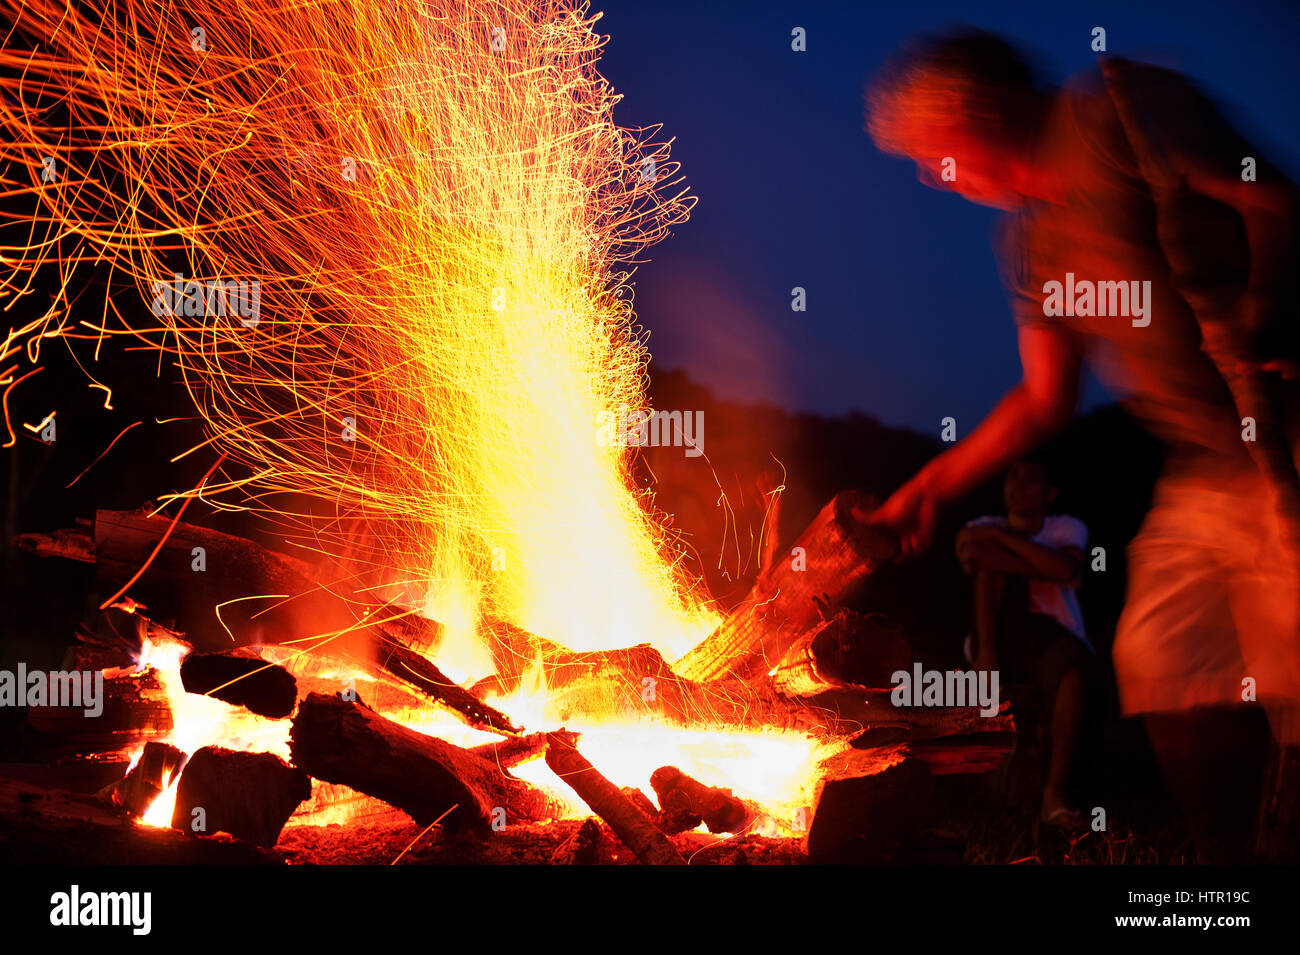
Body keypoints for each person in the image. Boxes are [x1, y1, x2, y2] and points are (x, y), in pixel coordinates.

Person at [862, 28, 1300, 862]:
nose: (930, 175)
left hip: (1289, 426)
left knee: (1292, 651)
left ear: (973, 109)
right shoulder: (1031, 245)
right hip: (1211, 460)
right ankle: (1222, 870)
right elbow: (1043, 397)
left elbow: (1272, 198)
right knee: (1163, 650)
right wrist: (930, 484)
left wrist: (1267, 304)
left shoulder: (1113, 115)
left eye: (932, 152)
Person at [957, 461, 1089, 828]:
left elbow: (1067, 571)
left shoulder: (1066, 526)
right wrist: (1043, 561)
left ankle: (1053, 795)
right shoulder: (983, 526)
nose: (1018, 484)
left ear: (1050, 494)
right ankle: (987, 662)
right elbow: (970, 552)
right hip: (998, 636)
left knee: (1074, 677)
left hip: (1052, 636)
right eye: (1012, 475)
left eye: (1031, 478)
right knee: (990, 576)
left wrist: (1001, 543)